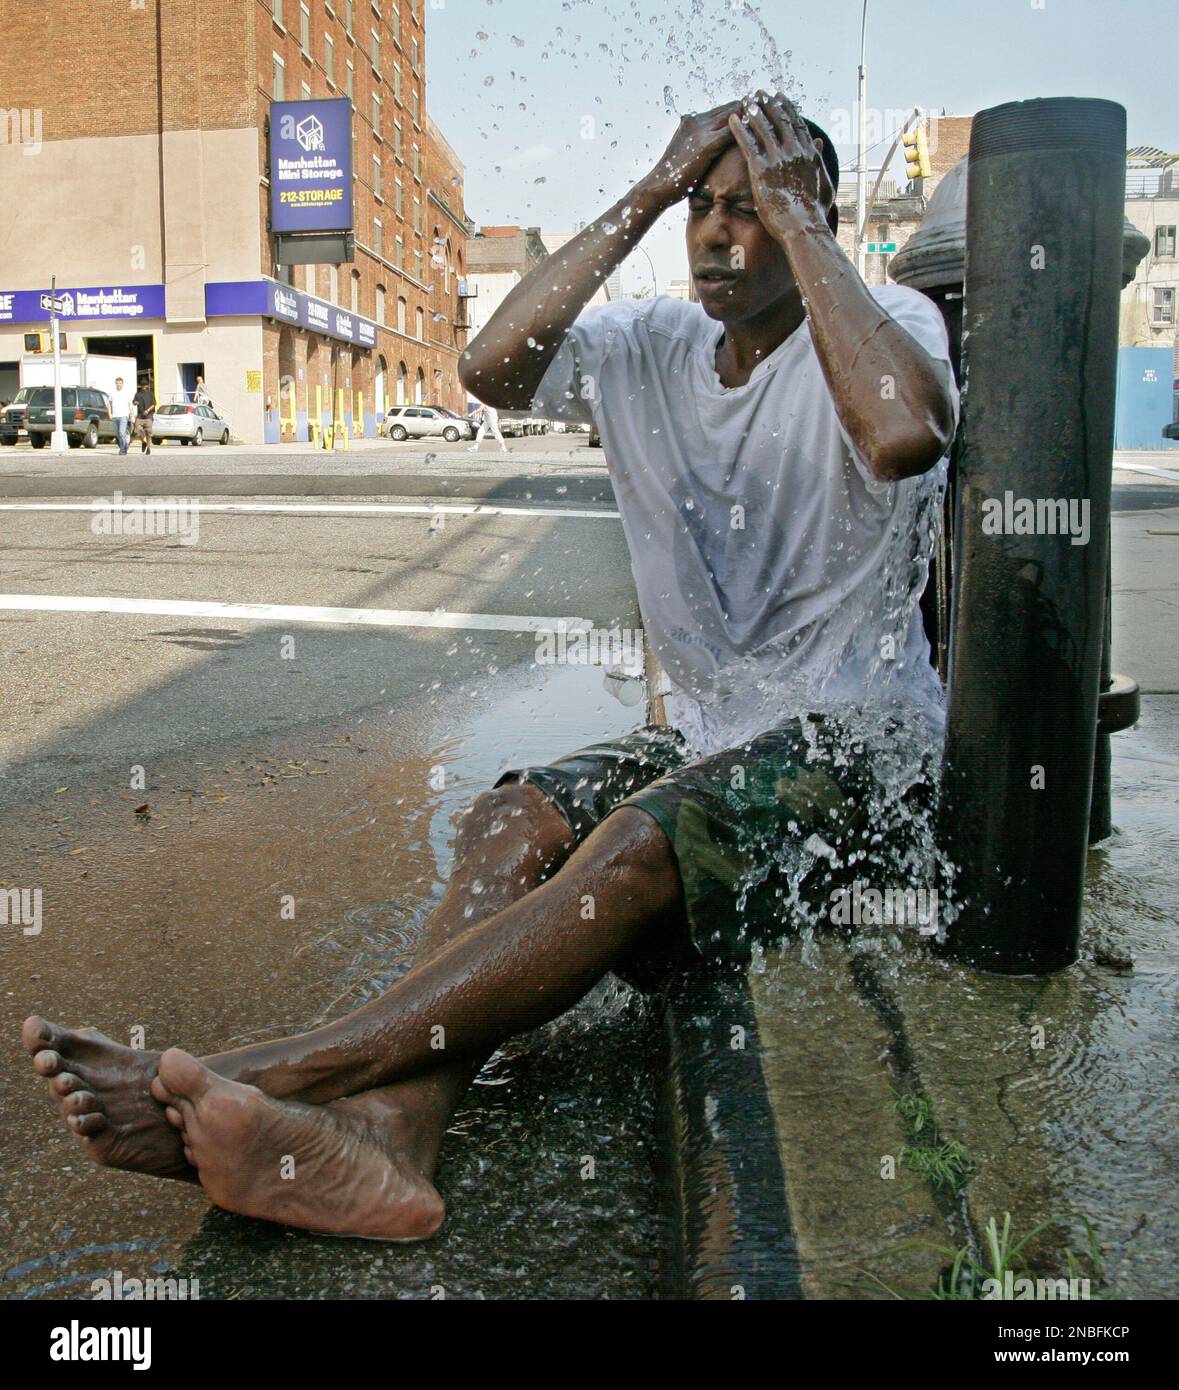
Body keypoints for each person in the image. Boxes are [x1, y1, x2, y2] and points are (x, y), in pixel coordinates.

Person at [22, 92, 957, 1243]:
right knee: (508, 818)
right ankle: (399, 1131)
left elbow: (904, 430)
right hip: (717, 733)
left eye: (751, 210)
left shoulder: (882, 319)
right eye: (703, 210)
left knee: (631, 845)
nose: (720, 234)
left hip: (858, 748)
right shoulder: (650, 345)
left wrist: (805, 223)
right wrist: (648, 188)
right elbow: (487, 366)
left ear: (805, 215)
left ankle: (283, 1068)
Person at [109, 376, 135, 455]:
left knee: (121, 432)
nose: (119, 385)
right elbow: (109, 404)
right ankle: (125, 446)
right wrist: (110, 414)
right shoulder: (112, 393)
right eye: (117, 383)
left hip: (124, 415)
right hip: (115, 416)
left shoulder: (126, 393)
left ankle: (122, 449)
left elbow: (130, 405)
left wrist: (132, 415)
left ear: (122, 384)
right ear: (115, 384)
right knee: (118, 434)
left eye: (120, 383)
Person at [131, 379, 155, 454]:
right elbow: (133, 402)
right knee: (138, 431)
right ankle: (143, 442)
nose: (144, 386)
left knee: (148, 432)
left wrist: (147, 411)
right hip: (140, 416)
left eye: (145, 385)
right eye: (142, 385)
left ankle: (148, 448)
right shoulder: (138, 394)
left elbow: (154, 404)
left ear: (147, 386)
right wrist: (135, 402)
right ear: (140, 386)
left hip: (148, 416)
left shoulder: (150, 394)